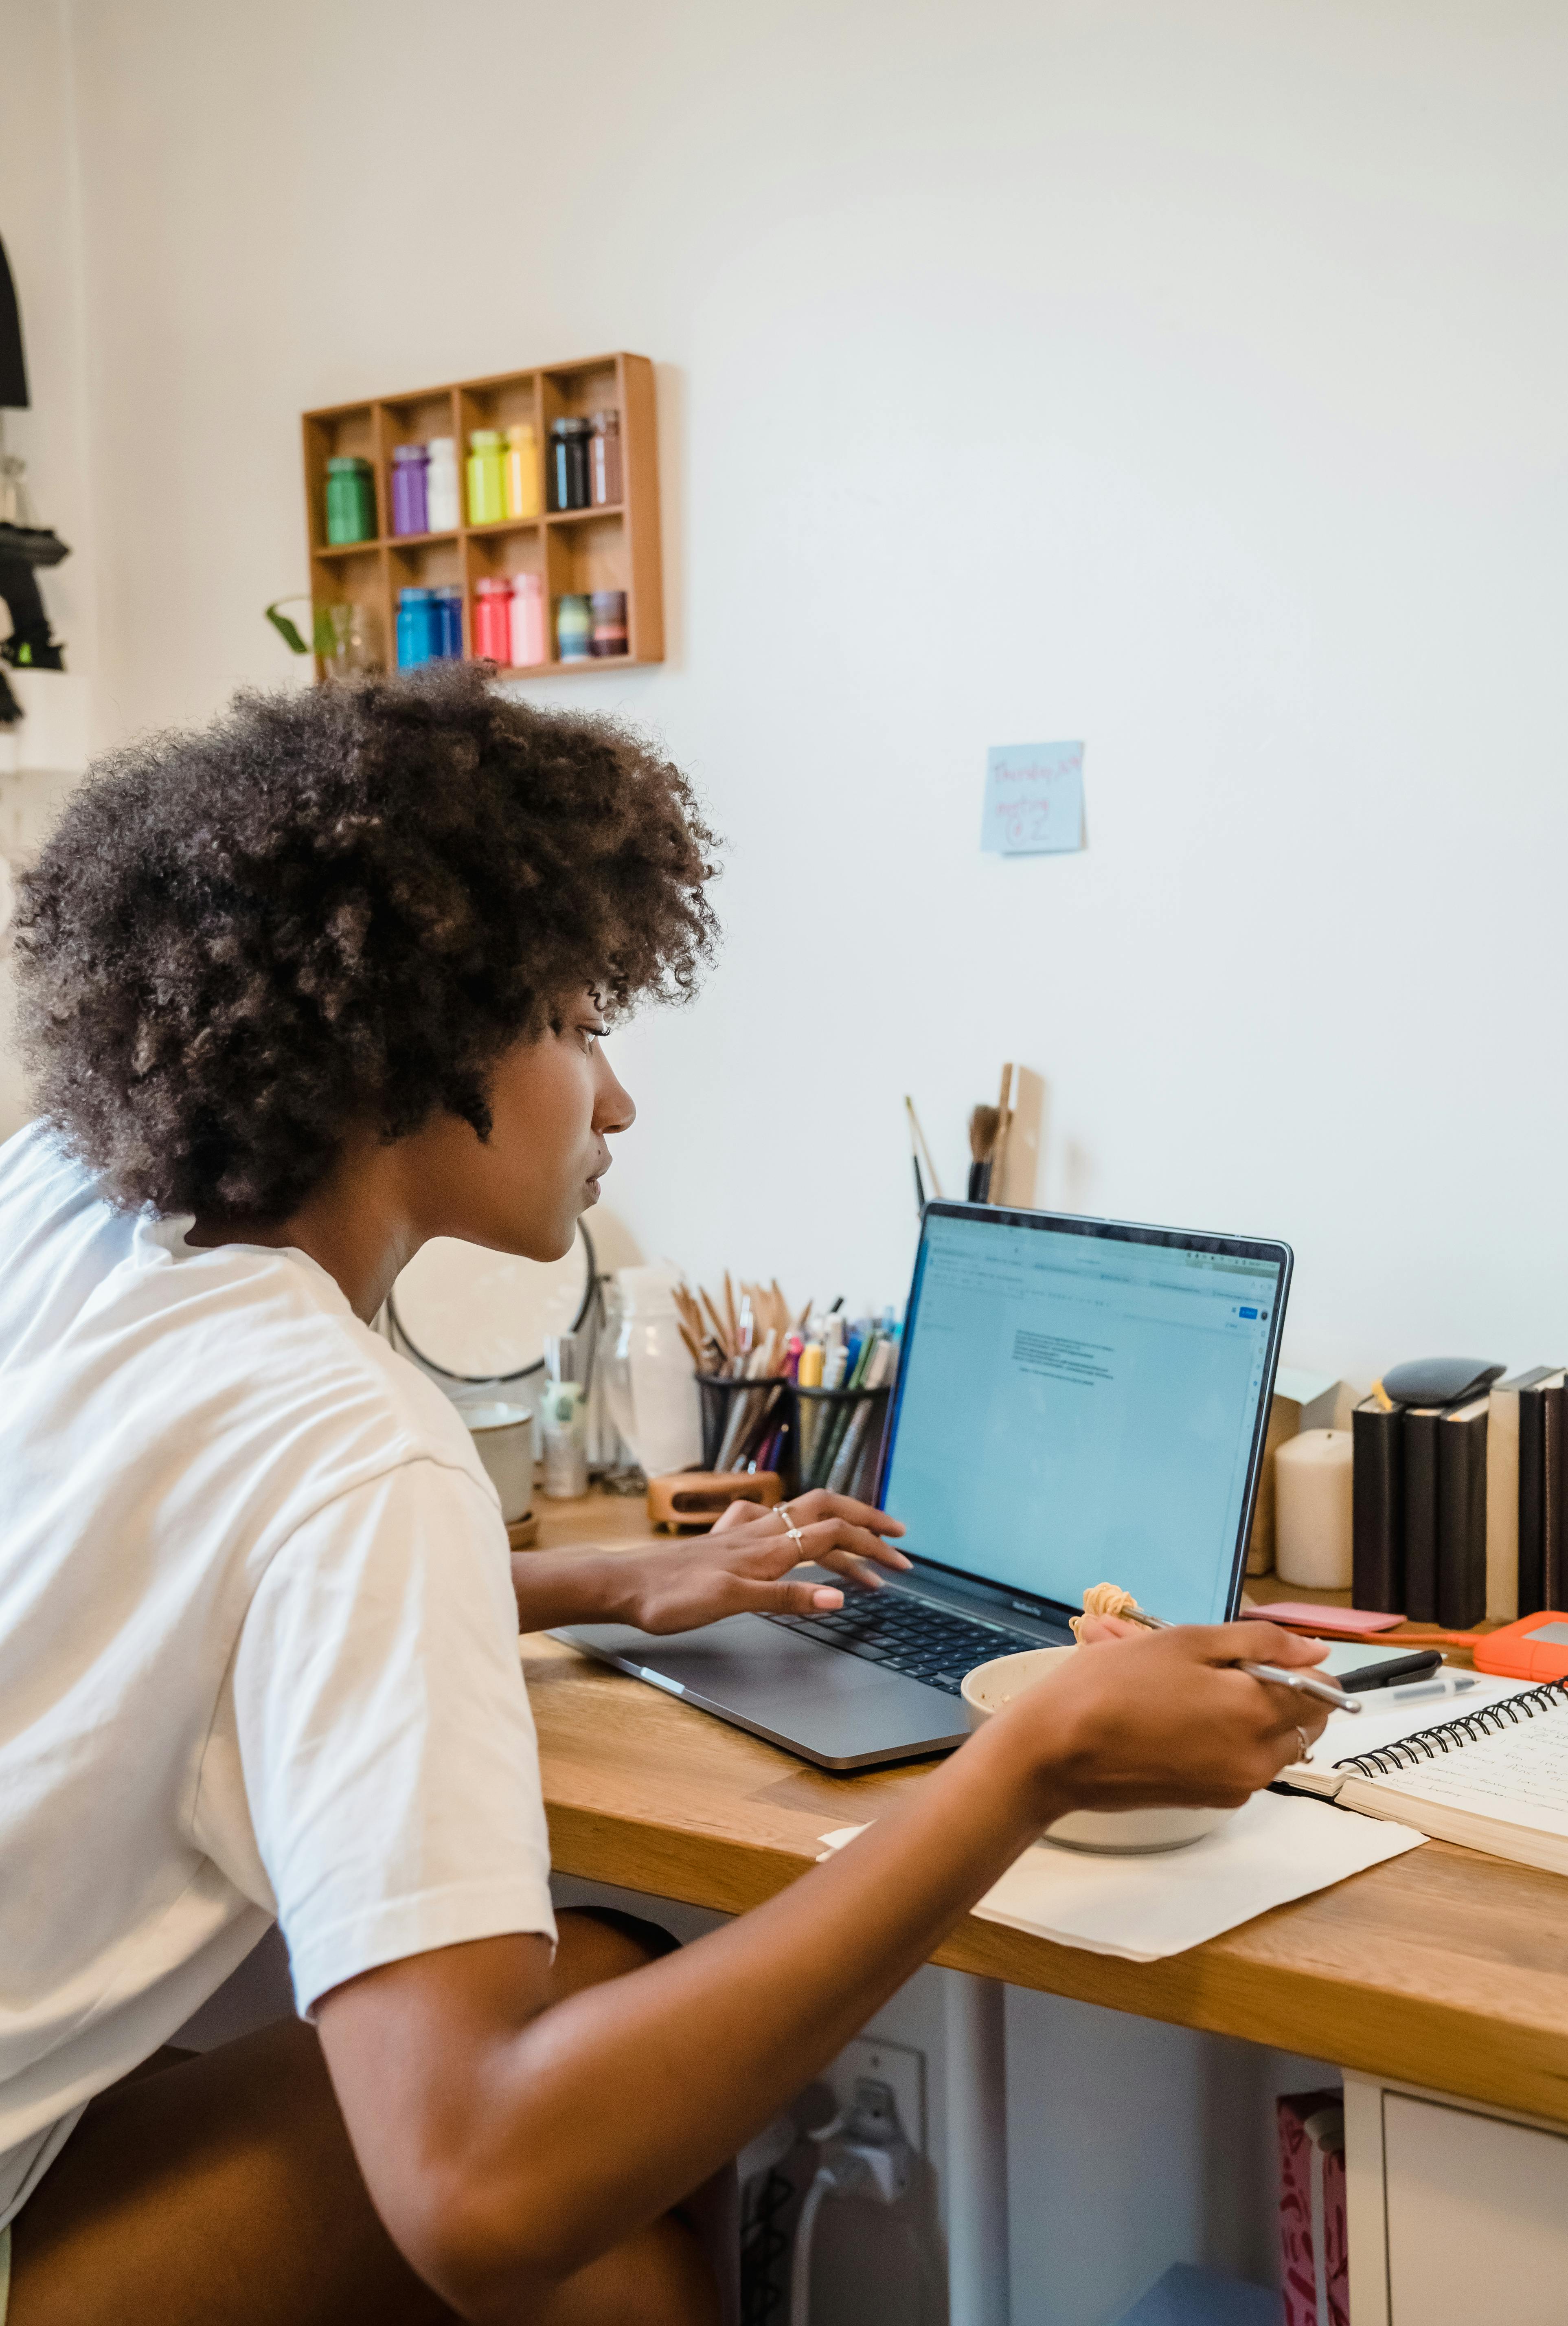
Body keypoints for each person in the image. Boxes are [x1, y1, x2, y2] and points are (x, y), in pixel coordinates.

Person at [0, 666, 1327, 2326]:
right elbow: (475, 2192)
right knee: (577, 2208)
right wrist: (1026, 1760)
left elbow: (180, 1576)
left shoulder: (71, 1202)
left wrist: (602, 1582)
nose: (615, 1095)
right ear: (411, 1042)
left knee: (618, 1969)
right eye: (570, 1023)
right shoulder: (354, 1445)